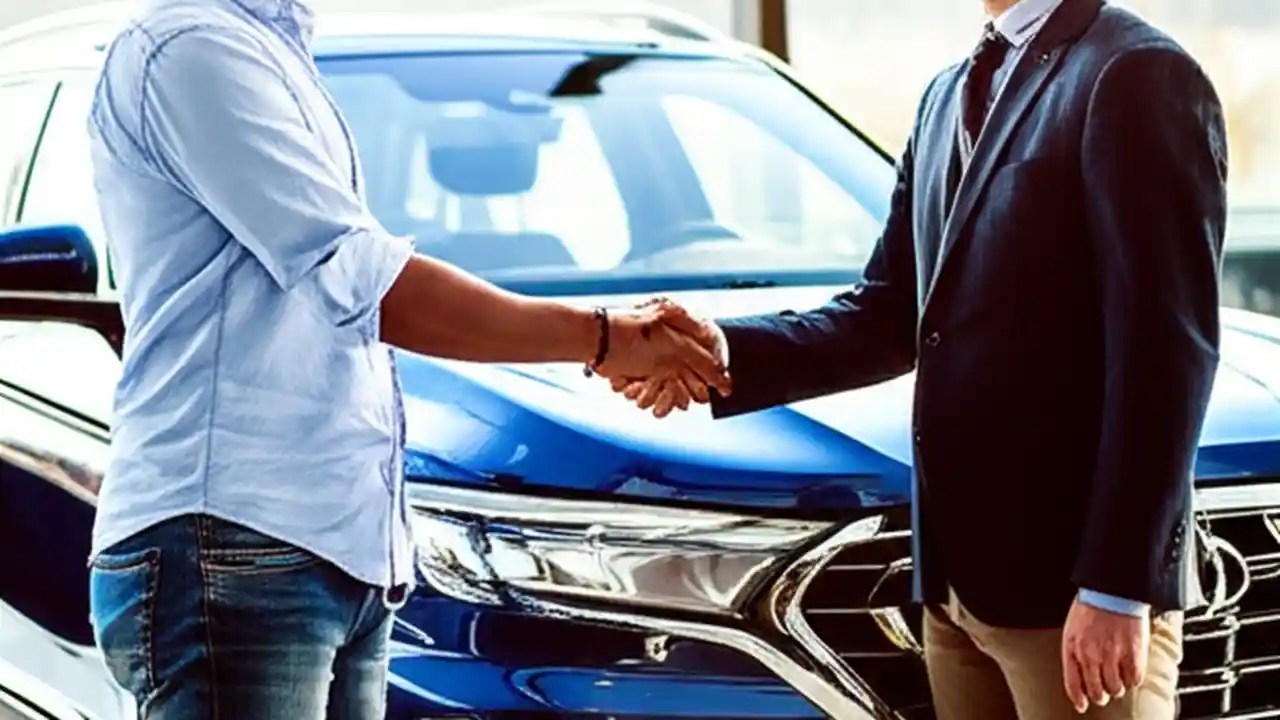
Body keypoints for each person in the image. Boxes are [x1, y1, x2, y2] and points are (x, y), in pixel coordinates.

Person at [85, 0, 726, 717]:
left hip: (334, 549)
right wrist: (604, 336)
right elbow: (357, 274)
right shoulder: (190, 50)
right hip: (233, 545)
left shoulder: (269, 46)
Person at [617, 0, 1228, 717]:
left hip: (1077, 599)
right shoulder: (946, 93)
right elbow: (885, 316)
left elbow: (1166, 351)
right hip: (956, 593)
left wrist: (1119, 587)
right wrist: (720, 350)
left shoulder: (1136, 73)